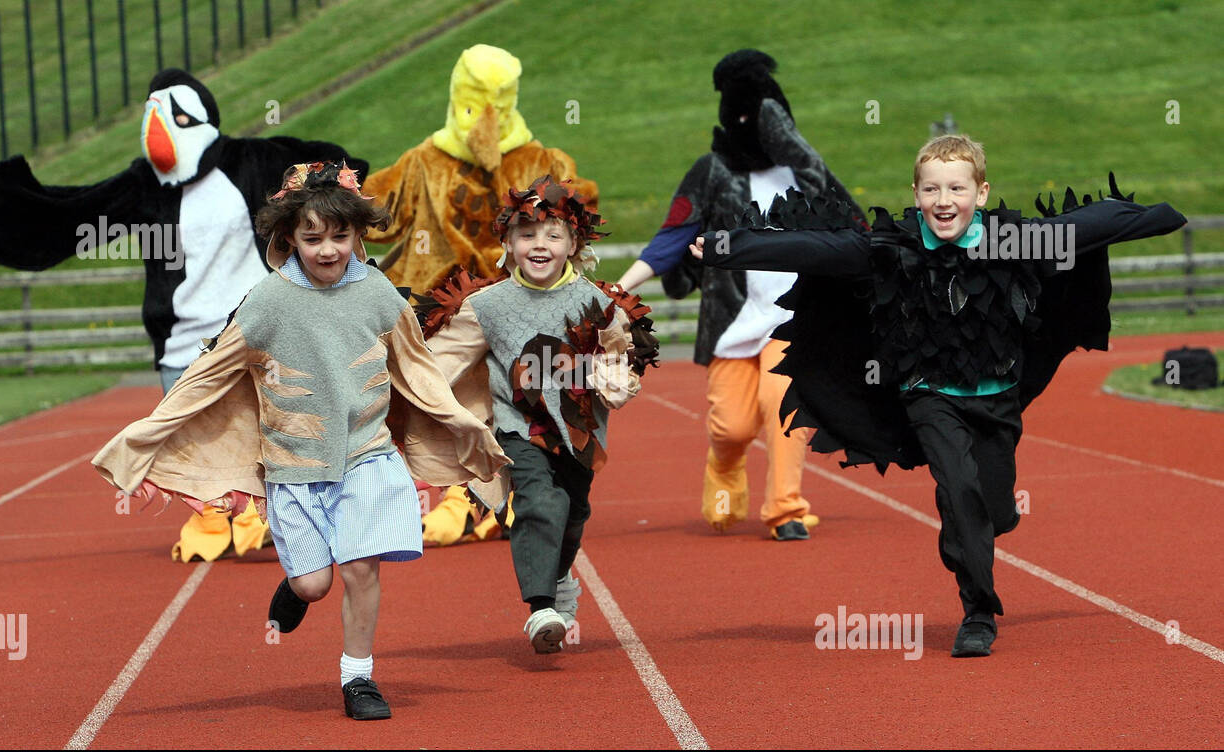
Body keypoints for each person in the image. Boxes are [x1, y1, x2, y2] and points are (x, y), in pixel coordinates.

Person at [693, 134, 1186, 656]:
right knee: (957, 485)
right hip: (928, 394)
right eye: (932, 189)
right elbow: (816, 249)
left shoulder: (1014, 242)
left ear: (982, 192)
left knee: (991, 510)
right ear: (916, 192)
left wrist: (1163, 215)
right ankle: (978, 612)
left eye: (956, 188)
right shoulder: (893, 250)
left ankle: (984, 524)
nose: (944, 200)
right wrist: (729, 248)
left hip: (999, 400)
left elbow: (1085, 229)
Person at [92, 161, 509, 718]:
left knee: (362, 565)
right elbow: (208, 376)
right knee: (314, 584)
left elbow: (418, 368)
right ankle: (297, 585)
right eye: (313, 238)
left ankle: (358, 678)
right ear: (289, 237)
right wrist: (140, 437)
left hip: (367, 454)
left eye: (341, 236)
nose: (329, 249)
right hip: (294, 465)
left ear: (359, 234)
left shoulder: (380, 295)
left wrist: (464, 425)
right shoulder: (266, 302)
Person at [0, 68, 365, 563]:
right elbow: (75, 213)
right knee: (191, 441)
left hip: (258, 330)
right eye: (151, 115)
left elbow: (328, 172)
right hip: (182, 342)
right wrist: (11, 201)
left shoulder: (251, 161)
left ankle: (282, 515)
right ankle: (214, 518)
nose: (160, 128)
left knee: (279, 427)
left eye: (174, 116)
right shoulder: (144, 186)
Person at [619, 50, 866, 541]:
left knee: (785, 402)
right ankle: (725, 470)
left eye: (767, 118)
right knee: (731, 427)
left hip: (794, 317)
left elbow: (855, 230)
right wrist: (620, 287)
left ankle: (785, 510)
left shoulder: (806, 173)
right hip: (732, 318)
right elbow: (673, 235)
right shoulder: (713, 171)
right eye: (750, 118)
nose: (759, 129)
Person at [361, 43, 598, 547]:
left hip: (516, 306)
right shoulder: (427, 161)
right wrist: (329, 197)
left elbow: (572, 214)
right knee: (444, 400)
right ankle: (461, 497)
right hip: (440, 309)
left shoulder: (538, 162)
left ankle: (490, 497)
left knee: (509, 405)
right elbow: (377, 211)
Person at [419, 176, 657, 653]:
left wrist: (617, 377)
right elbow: (440, 361)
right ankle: (541, 606)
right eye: (527, 234)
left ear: (573, 243)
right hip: (517, 426)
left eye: (553, 234)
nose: (539, 244)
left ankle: (560, 576)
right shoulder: (487, 306)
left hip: (579, 429)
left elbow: (619, 353)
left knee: (572, 512)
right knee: (538, 500)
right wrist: (402, 392)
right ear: (508, 243)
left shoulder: (600, 303)